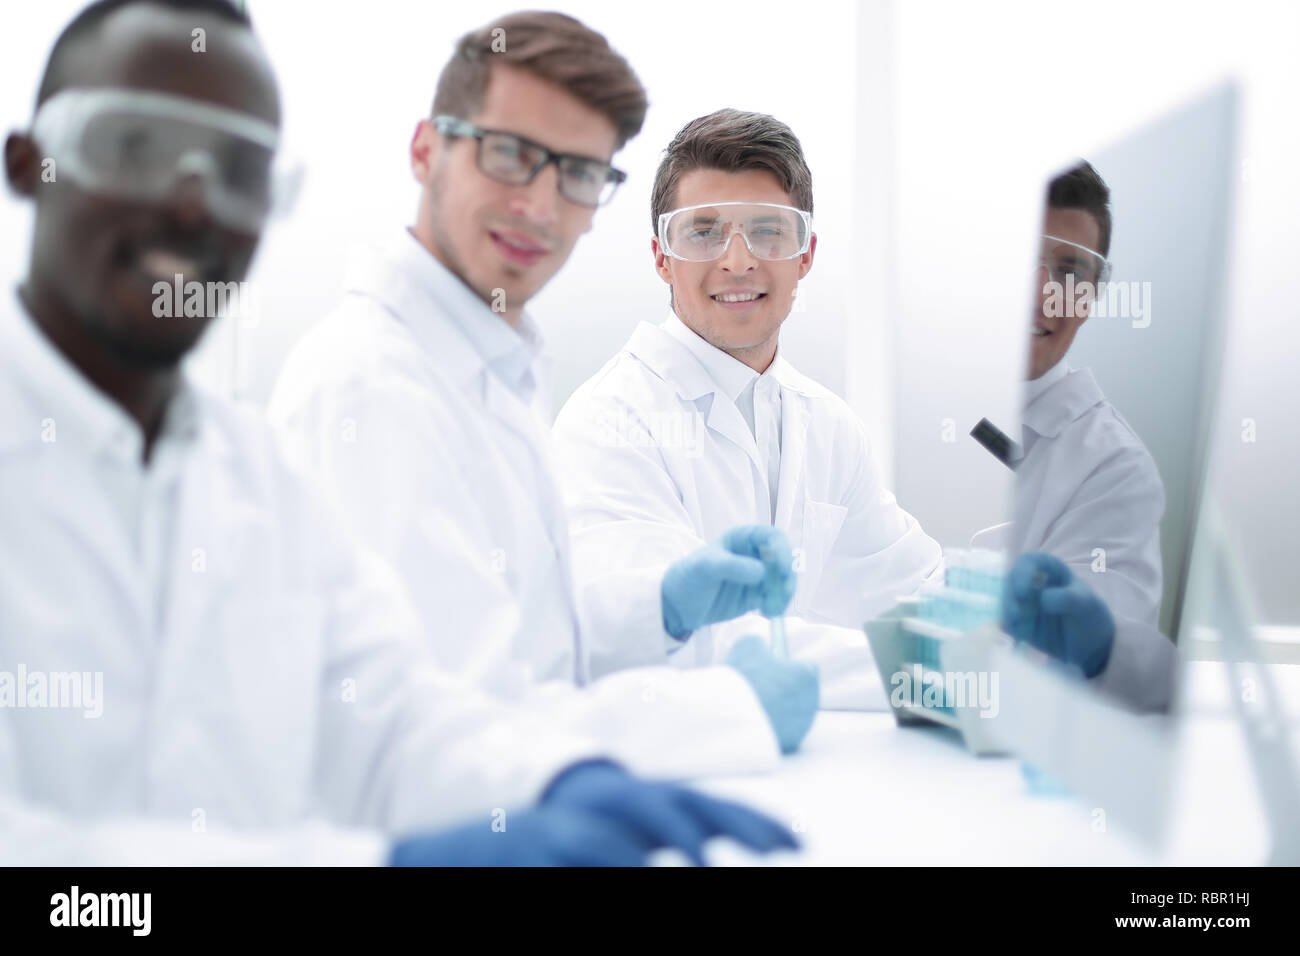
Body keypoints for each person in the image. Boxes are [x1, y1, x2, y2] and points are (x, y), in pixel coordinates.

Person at [0, 0, 799, 865]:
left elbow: (390, 714)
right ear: (30, 163)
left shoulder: (250, 472)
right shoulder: (366, 385)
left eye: (237, 169)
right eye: (137, 148)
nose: (192, 206)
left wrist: (558, 774)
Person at [267, 12, 818, 761]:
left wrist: (656, 608)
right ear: (426, 151)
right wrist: (730, 715)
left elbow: (519, 640)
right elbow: (443, 730)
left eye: (578, 173)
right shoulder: (372, 389)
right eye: (508, 153)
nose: (539, 204)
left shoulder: (488, 370)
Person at [550, 109, 943, 707]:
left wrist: (1008, 615)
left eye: (767, 230)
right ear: (661, 256)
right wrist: (937, 671)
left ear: (805, 254)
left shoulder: (829, 427)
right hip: (681, 772)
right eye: (703, 232)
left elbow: (913, 588)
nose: (737, 261)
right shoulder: (609, 423)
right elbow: (698, 646)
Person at [1002, 162, 1174, 711]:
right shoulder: (885, 405)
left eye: (1072, 271)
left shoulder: (1114, 470)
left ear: (1094, 296)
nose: (1043, 294)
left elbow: (1057, 674)